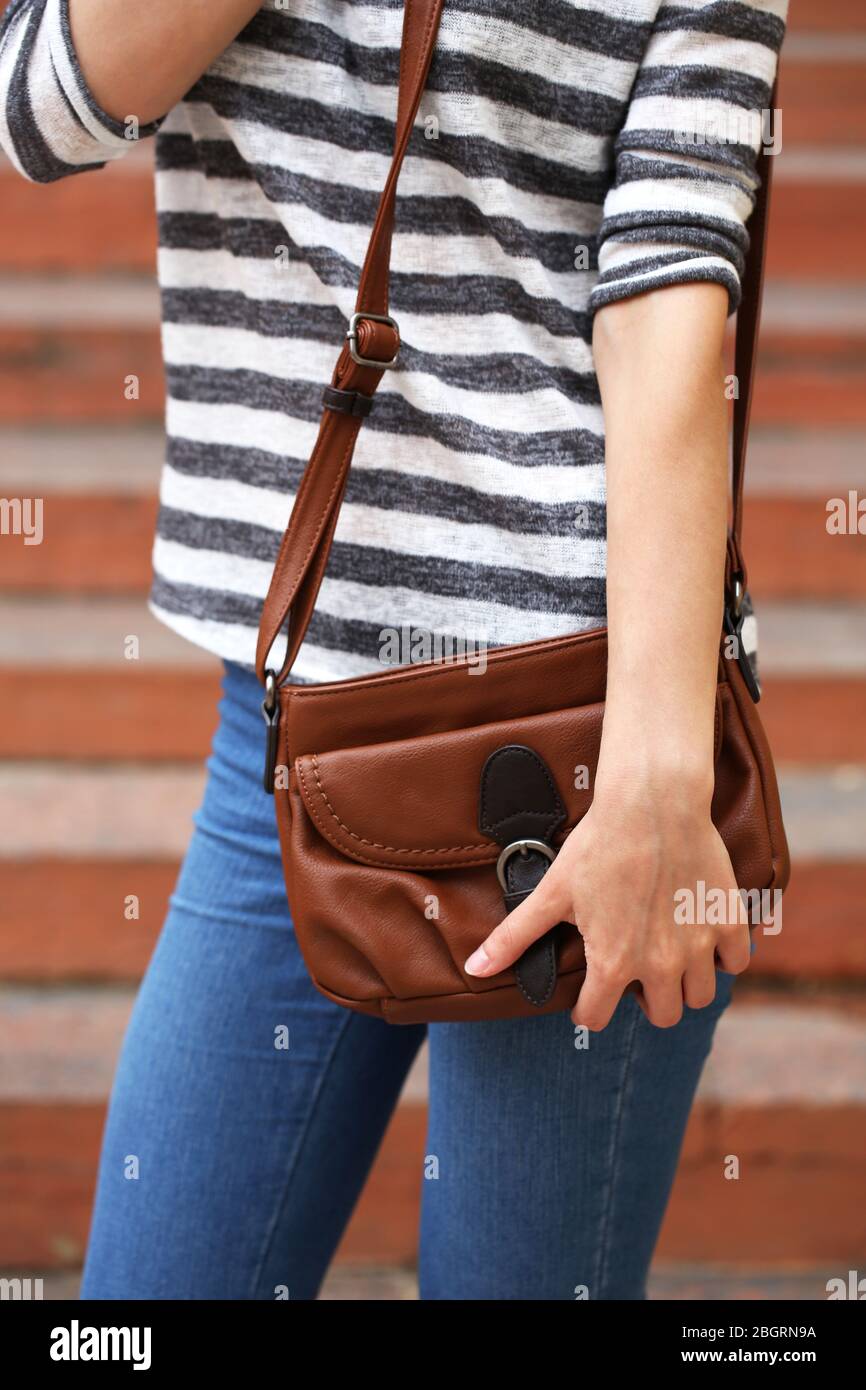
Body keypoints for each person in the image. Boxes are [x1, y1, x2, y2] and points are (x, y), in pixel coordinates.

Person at [0, 0, 787, 1300]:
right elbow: (44, 105)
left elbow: (671, 290)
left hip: (601, 728)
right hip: (291, 737)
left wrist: (656, 780)